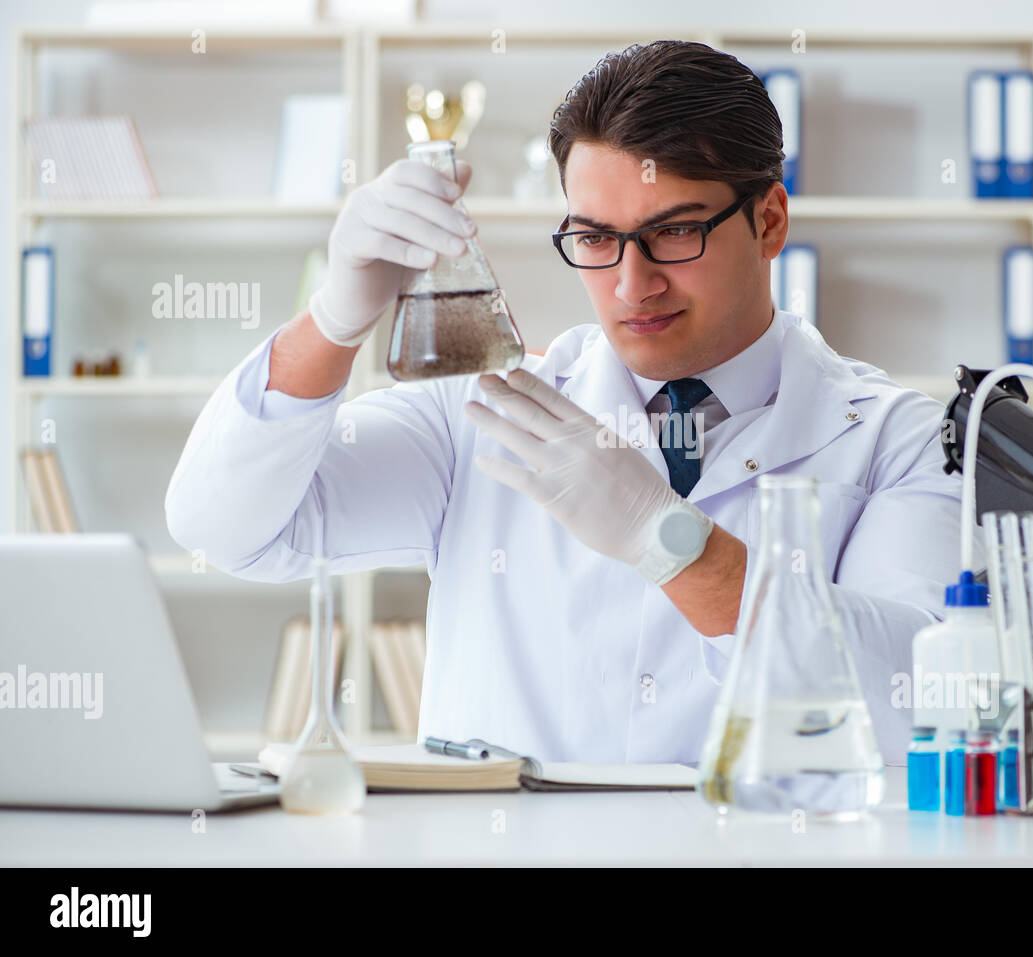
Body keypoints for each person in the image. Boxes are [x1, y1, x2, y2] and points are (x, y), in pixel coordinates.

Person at [165, 39, 971, 766]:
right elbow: (226, 527)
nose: (632, 283)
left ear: (769, 219)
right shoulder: (480, 411)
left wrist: (672, 543)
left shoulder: (899, 439)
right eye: (594, 239)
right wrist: (333, 321)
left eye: (675, 232)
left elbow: (920, 705)